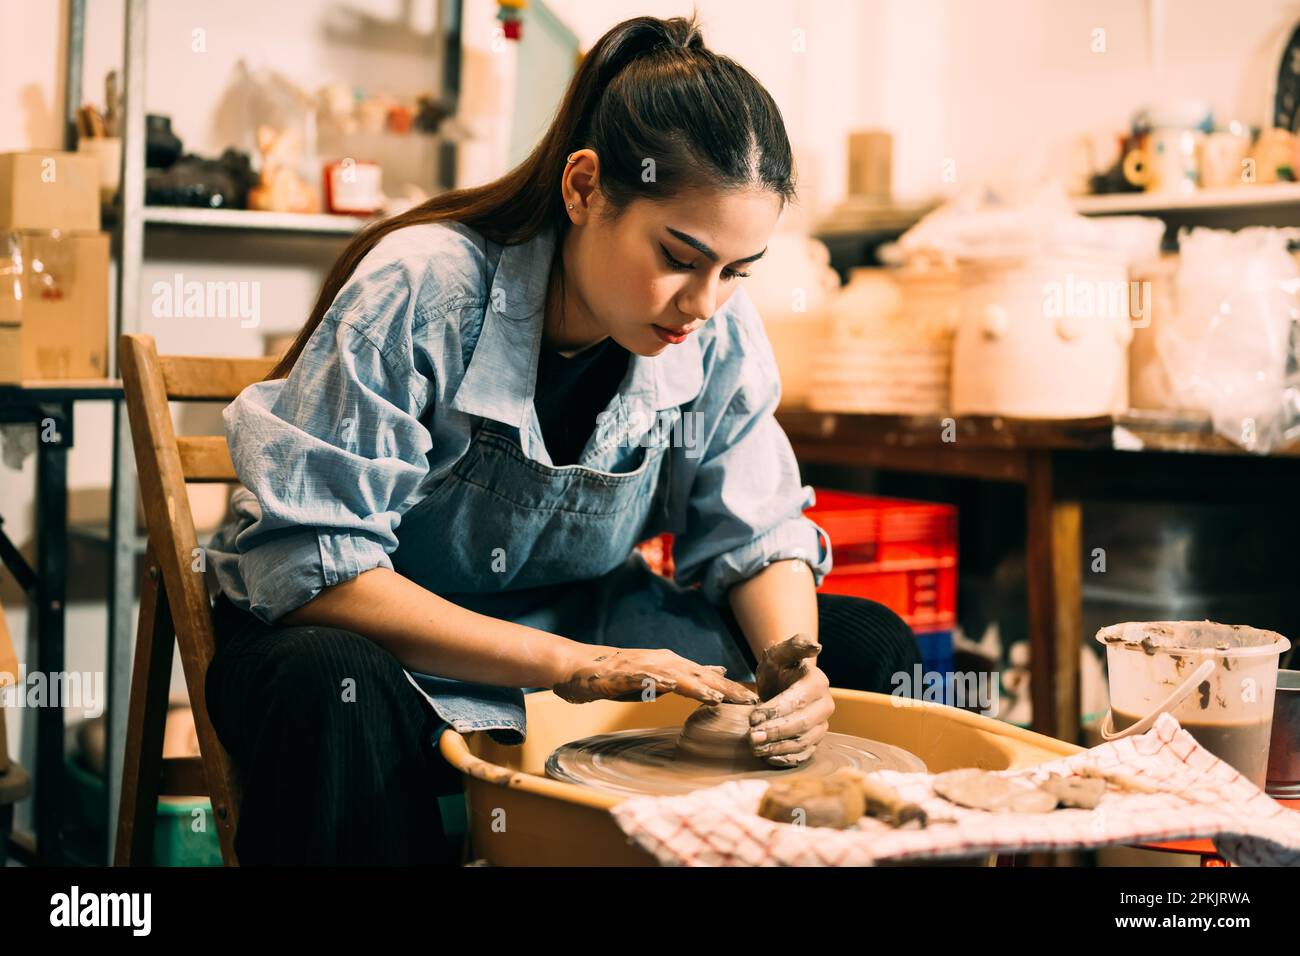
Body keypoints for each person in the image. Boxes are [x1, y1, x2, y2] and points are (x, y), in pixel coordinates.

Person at [203, 13, 920, 865]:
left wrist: (790, 670)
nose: (706, 301)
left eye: (736, 271)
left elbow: (755, 530)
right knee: (332, 686)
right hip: (378, 641)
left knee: (868, 643)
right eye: (681, 255)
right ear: (584, 188)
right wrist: (563, 663)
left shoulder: (714, 327)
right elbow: (316, 566)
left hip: (583, 623)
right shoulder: (425, 287)